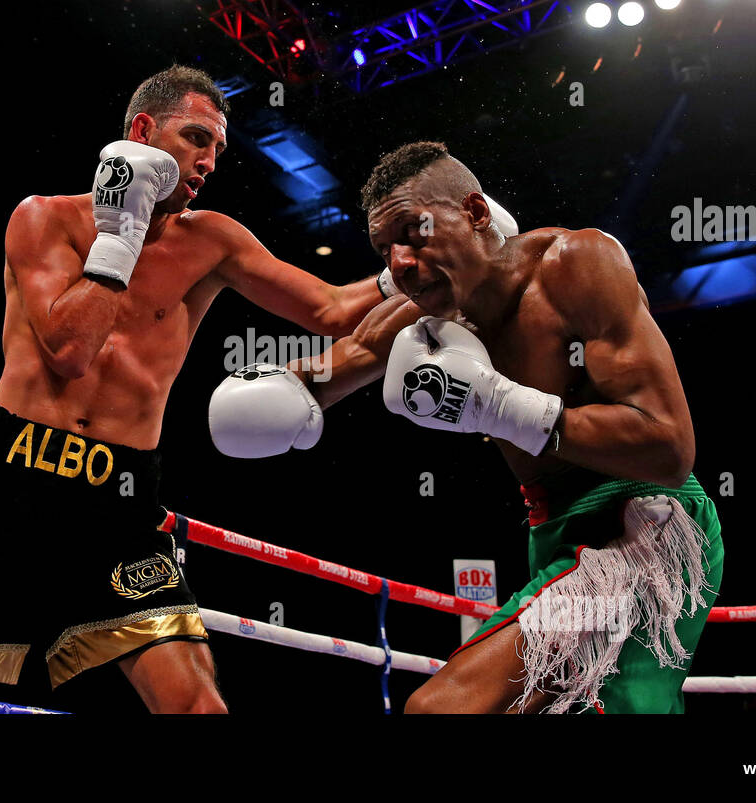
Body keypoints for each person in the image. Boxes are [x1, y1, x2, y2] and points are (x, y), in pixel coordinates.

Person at [0, 65, 384, 714]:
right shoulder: (44, 218)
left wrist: (421, 274)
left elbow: (332, 310)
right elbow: (69, 350)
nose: (208, 161)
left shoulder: (214, 241)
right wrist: (123, 233)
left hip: (118, 499)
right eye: (196, 138)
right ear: (142, 131)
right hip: (4, 475)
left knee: (196, 705)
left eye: (218, 149)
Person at [208, 141, 724, 713]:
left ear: (476, 213)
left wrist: (502, 407)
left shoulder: (576, 265)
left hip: (642, 523)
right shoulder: (427, 318)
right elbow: (328, 368)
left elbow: (669, 448)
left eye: (414, 233)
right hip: (553, 530)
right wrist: (276, 392)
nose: (399, 262)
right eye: (385, 249)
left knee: (441, 709)